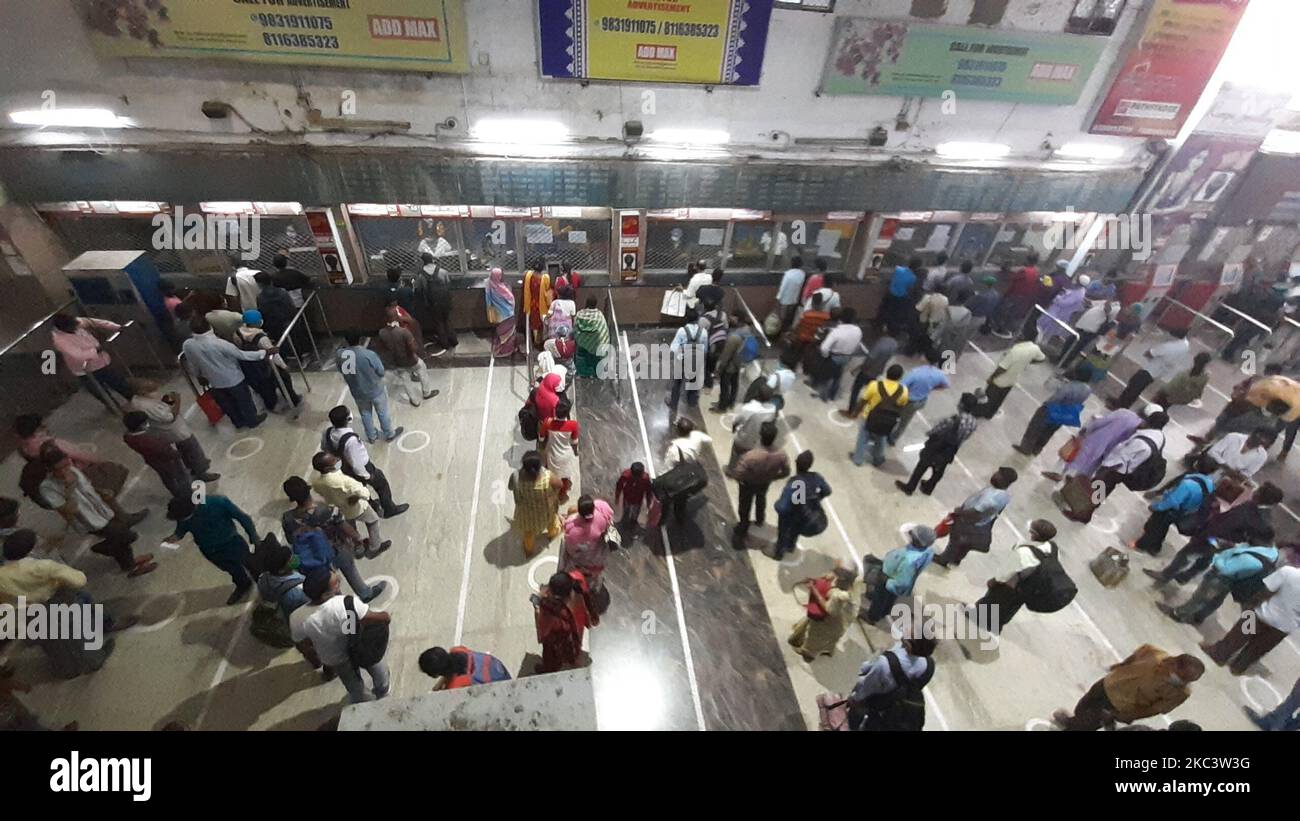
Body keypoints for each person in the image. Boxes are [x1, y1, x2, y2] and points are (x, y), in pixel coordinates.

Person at [37, 443, 155, 578]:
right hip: (88, 520)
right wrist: (69, 487)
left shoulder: (73, 470)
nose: (65, 470)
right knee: (127, 535)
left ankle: (129, 564)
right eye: (60, 469)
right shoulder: (47, 488)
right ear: (50, 470)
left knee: (119, 536)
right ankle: (105, 548)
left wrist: (101, 492)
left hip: (102, 510)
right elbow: (66, 510)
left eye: (66, 465)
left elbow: (87, 486)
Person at [1147, 482, 1281, 587]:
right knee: (1206, 559)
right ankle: (1185, 577)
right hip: (1227, 543)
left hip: (1215, 537)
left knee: (1187, 553)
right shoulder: (1266, 518)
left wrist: (1205, 533)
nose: (1254, 492)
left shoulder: (1248, 512)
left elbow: (1224, 525)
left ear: (1261, 496)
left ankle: (1167, 574)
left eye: (1258, 491)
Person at [291, 568, 392, 703]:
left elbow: (302, 644)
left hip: (334, 657)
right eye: (336, 583)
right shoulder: (346, 604)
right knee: (376, 667)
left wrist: (315, 658)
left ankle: (364, 702)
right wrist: (386, 616)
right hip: (360, 645)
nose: (340, 580)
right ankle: (382, 690)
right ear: (325, 595)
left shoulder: (297, 618)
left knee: (353, 684)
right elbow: (371, 619)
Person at [282, 477, 387, 603]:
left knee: (329, 582)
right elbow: (343, 525)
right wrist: (357, 539)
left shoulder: (288, 518)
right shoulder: (326, 509)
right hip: (337, 549)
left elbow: (291, 539)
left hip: (315, 558)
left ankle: (339, 604)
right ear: (308, 490)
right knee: (350, 571)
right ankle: (365, 594)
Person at [1053, 645, 1204, 730]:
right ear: (1173, 663)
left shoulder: (1180, 693)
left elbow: (1154, 709)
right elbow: (1135, 657)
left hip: (1118, 706)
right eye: (1183, 676)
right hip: (1109, 684)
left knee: (1087, 723)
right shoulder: (1154, 654)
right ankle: (1073, 721)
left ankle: (1073, 726)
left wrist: (1122, 716)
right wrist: (1120, 666)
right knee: (1083, 706)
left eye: (1188, 680)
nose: (1182, 682)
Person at [969, 519, 1067, 633]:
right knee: (1011, 607)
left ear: (1034, 534)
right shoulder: (1053, 548)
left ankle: (979, 617)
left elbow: (1007, 572)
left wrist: (994, 580)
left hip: (1011, 585)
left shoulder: (1025, 551)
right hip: (1029, 587)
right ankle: (997, 625)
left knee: (993, 601)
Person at [1202, 564, 1300, 675]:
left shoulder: (1289, 572)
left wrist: (1249, 606)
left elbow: (1266, 590)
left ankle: (1219, 654)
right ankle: (1239, 667)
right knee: (1258, 648)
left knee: (1237, 636)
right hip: (1284, 626)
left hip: (1261, 614)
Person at [1156, 538, 1279, 626]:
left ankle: (1179, 614)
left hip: (1222, 577)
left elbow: (1225, 569)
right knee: (1216, 599)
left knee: (1201, 596)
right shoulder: (1271, 551)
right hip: (1236, 578)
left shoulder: (1250, 560)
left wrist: (1217, 556)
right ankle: (1199, 616)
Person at [165, 495, 259, 604]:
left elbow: (243, 518)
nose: (183, 520)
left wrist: (254, 537)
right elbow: (182, 528)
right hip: (210, 550)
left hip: (232, 542)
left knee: (250, 563)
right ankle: (243, 584)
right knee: (231, 569)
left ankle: (265, 584)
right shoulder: (183, 512)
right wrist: (175, 537)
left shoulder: (217, 502)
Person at [183, 315, 271, 429]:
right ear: (209, 327)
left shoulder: (188, 345)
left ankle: (238, 422)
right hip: (233, 378)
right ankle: (252, 420)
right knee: (244, 401)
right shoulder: (220, 344)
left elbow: (193, 363)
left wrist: (198, 375)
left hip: (213, 380)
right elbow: (241, 355)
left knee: (228, 404)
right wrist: (263, 353)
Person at [321, 405, 408, 519]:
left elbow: (325, 448)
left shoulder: (328, 432)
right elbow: (357, 464)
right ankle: (389, 509)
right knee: (381, 484)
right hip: (362, 467)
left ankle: (374, 506)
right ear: (348, 419)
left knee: (362, 488)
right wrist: (368, 476)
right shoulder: (351, 440)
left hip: (345, 468)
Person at [127, 380, 219, 482]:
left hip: (166, 430)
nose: (155, 392)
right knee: (192, 449)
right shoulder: (146, 405)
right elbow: (169, 417)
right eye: (151, 390)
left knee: (184, 450)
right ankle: (201, 471)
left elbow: (161, 408)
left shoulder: (136, 400)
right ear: (143, 392)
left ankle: (193, 467)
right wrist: (177, 401)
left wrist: (168, 399)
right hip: (173, 430)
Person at [895, 392, 980, 496]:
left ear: (961, 404)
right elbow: (965, 437)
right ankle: (928, 488)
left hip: (937, 446)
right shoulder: (974, 422)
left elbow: (937, 430)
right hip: (951, 449)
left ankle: (910, 487)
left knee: (922, 465)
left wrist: (929, 433)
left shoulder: (952, 420)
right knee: (939, 470)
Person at [846, 636, 937, 731]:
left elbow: (866, 686)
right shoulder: (929, 666)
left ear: (909, 646)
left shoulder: (885, 664)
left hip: (877, 704)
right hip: (894, 708)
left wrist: (855, 698)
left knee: (858, 713)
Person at [1133, 455, 1217, 556]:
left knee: (1154, 526)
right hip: (1185, 510)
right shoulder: (1209, 484)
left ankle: (1141, 545)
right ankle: (1155, 547)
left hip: (1171, 510)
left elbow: (1173, 501)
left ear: (1197, 465)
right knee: (1163, 527)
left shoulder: (1188, 484)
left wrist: (1157, 507)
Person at [933, 467, 1017, 568]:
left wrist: (960, 512)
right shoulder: (1004, 496)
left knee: (955, 541)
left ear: (1004, 480)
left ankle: (944, 559)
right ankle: (956, 560)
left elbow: (976, 512)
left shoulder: (991, 498)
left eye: (997, 475)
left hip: (968, 521)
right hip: (982, 523)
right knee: (966, 544)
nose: (994, 475)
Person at [49, 313, 135, 409]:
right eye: (72, 328)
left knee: (119, 383)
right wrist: (96, 350)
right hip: (85, 370)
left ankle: (134, 401)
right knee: (101, 393)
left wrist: (115, 327)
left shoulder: (75, 322)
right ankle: (115, 408)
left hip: (102, 361)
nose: (76, 328)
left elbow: (95, 322)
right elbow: (78, 355)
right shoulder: (59, 340)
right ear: (63, 328)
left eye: (76, 326)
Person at [310, 451, 388, 555]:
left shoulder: (317, 483)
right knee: (372, 521)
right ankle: (375, 547)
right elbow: (365, 493)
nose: (337, 459)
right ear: (328, 468)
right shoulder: (344, 481)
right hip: (357, 507)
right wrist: (356, 497)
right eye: (334, 461)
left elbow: (321, 493)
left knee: (351, 525)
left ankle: (358, 546)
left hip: (341, 508)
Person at [729, 421, 790, 549]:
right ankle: (759, 519)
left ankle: (743, 527)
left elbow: (738, 473)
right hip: (765, 482)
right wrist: (773, 477)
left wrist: (739, 480)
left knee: (745, 506)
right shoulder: (781, 455)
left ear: (760, 436)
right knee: (761, 499)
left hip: (748, 484)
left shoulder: (750, 456)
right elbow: (786, 472)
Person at [337, 332, 403, 443]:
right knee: (382, 412)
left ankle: (371, 436)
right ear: (360, 339)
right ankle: (389, 433)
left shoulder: (340, 355)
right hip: (375, 389)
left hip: (357, 391)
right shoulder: (368, 354)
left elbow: (341, 370)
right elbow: (381, 371)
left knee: (365, 413)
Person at [1014, 364, 1092, 456]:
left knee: (1035, 427)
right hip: (1066, 412)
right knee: (1049, 431)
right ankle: (1037, 449)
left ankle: (1026, 448)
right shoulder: (1087, 389)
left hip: (1052, 409)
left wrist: (1045, 405)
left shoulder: (1069, 387)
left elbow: (1056, 398)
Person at [235, 309, 302, 414]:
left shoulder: (239, 332)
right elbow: (274, 354)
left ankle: (271, 405)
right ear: (258, 322)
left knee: (264, 387)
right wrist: (284, 366)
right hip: (266, 365)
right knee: (284, 379)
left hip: (251, 365)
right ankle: (293, 399)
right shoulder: (260, 338)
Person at [864, 525, 936, 623]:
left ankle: (872, 617)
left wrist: (887, 581)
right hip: (896, 577)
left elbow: (903, 581)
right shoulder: (928, 552)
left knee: (881, 598)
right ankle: (884, 611)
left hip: (890, 579)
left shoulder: (909, 561)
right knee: (890, 598)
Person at [788, 564, 859, 661]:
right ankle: (828, 650)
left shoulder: (839, 596)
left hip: (832, 624)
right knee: (832, 639)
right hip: (845, 621)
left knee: (815, 637)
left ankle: (808, 654)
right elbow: (832, 577)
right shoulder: (853, 586)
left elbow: (828, 609)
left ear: (842, 579)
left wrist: (814, 589)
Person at [773, 451, 831, 560]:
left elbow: (782, 507)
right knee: (795, 529)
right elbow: (827, 490)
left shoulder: (793, 484)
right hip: (806, 517)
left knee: (784, 529)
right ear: (810, 465)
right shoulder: (816, 477)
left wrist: (776, 505)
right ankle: (790, 547)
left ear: (796, 464)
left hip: (793, 515)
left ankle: (779, 552)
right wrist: (817, 498)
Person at [122, 411, 192, 501]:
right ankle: (187, 494)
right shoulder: (149, 441)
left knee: (166, 478)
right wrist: (179, 454)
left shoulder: (128, 437)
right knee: (180, 476)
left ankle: (176, 493)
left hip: (153, 461)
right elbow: (167, 452)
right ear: (141, 426)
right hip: (168, 461)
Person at [1112, 328, 1190, 409]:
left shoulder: (1168, 346)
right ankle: (1123, 404)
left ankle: (1121, 404)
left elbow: (1150, 353)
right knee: (1138, 389)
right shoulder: (1185, 345)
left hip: (1150, 369)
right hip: (1160, 371)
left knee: (1133, 387)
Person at [975, 329, 1044, 419]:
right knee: (999, 400)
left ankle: (979, 413)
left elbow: (1002, 368)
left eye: (1021, 334)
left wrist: (991, 377)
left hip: (999, 381)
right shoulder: (1035, 348)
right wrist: (1028, 361)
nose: (1018, 335)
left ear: (1025, 337)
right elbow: (1042, 359)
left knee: (988, 399)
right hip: (1012, 380)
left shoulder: (1016, 350)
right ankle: (989, 415)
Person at [377, 307, 438, 407]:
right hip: (411, 360)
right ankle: (426, 392)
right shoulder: (403, 332)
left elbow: (383, 349)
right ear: (396, 317)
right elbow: (413, 348)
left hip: (397, 361)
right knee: (422, 369)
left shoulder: (382, 333)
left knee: (405, 380)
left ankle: (414, 401)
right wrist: (413, 355)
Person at [850, 363, 909, 468]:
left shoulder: (875, 385)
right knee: (881, 438)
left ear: (887, 373)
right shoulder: (904, 391)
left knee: (863, 437)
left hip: (870, 416)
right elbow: (902, 407)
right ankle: (877, 459)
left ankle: (858, 459)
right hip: (889, 420)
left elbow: (863, 401)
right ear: (900, 377)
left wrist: (855, 413)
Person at [533, 570, 591, 673]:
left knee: (551, 659)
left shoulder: (554, 615)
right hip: (576, 637)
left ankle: (549, 669)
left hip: (560, 646)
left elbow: (544, 635)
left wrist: (537, 608)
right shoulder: (578, 589)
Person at [560, 494, 615, 598]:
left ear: (579, 512)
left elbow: (570, 549)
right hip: (599, 557)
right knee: (594, 574)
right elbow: (609, 518)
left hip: (581, 560)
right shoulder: (602, 512)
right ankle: (595, 583)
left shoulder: (572, 528)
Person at [890, 351, 950, 445]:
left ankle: (887, 431)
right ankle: (894, 439)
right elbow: (946, 385)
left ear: (925, 359)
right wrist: (932, 388)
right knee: (905, 421)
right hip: (921, 401)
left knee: (894, 415)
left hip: (907, 400)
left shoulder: (916, 372)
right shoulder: (939, 374)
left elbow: (901, 386)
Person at [510, 450, 564, 557]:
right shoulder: (547, 477)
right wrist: (553, 496)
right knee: (552, 522)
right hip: (545, 511)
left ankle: (528, 550)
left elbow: (511, 487)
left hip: (526, 514)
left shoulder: (516, 477)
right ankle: (552, 534)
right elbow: (559, 484)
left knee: (528, 533)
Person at [662, 418, 713, 524]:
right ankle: (680, 517)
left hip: (680, 474)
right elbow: (709, 440)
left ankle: (664, 516)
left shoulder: (675, 448)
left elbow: (668, 467)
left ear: (678, 431)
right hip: (691, 469)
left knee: (671, 495)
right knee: (683, 497)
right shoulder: (697, 435)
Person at [842, 329, 898, 418]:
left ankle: (851, 411)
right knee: (869, 392)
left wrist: (859, 368)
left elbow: (870, 359)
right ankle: (861, 410)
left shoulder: (881, 343)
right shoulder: (894, 344)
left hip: (868, 371)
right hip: (878, 370)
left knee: (856, 390)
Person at [255, 536, 309, 622]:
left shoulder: (263, 578)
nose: (295, 559)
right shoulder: (296, 592)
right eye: (290, 560)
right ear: (281, 570)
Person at [815, 307, 862, 402]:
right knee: (838, 376)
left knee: (827, 376)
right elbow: (858, 345)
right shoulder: (858, 330)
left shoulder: (837, 332)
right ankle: (832, 395)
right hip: (847, 356)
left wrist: (826, 355)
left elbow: (824, 347)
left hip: (834, 356)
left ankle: (824, 396)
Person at [667, 308, 708, 416]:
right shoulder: (703, 332)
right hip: (696, 361)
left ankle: (673, 403)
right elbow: (705, 349)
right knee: (693, 382)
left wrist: (680, 356)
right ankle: (691, 403)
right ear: (697, 319)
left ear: (686, 319)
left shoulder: (682, 330)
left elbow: (673, 347)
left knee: (677, 383)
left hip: (682, 361)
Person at [710, 315, 755, 413]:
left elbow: (726, 356)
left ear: (738, 321)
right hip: (738, 363)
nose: (730, 319)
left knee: (724, 386)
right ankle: (731, 402)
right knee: (734, 384)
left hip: (729, 366)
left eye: (733, 318)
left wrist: (719, 369)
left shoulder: (734, 337)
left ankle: (722, 407)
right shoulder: (747, 332)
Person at [728, 387, 778, 471]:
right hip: (757, 441)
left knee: (735, 454)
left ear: (758, 394)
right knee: (748, 459)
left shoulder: (749, 407)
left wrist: (733, 430)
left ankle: (731, 470)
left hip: (743, 438)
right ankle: (742, 471)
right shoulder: (772, 409)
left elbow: (737, 421)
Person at [539, 398, 580, 499]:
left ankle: (551, 491)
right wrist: (575, 452)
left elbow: (541, 438)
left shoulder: (547, 422)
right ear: (567, 413)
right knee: (565, 477)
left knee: (551, 474)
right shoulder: (573, 425)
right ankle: (562, 493)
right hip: (566, 455)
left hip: (552, 454)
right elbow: (574, 442)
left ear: (555, 411)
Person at [419, 646, 512, 691]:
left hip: (502, 689)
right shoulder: (457, 650)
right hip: (500, 671)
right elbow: (451, 671)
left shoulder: (455, 685)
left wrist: (439, 689)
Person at [1205, 428, 1274, 480]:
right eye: (1259, 437)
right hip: (1211, 467)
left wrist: (1235, 475)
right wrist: (1225, 466)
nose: (1260, 441)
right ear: (1253, 433)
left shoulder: (1262, 455)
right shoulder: (1234, 437)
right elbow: (1213, 451)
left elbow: (1248, 473)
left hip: (1230, 478)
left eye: (1264, 441)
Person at [878, 256, 920, 337]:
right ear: (917, 267)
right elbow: (909, 289)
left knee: (885, 309)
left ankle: (881, 324)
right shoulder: (913, 278)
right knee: (894, 313)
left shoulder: (898, 269)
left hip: (890, 293)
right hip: (900, 298)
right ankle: (890, 328)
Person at [254, 271, 297, 344]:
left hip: (273, 324)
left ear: (259, 284)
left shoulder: (260, 297)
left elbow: (262, 312)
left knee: (280, 343)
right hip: (287, 320)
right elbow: (290, 306)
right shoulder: (282, 292)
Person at [484, 267, 517, 357]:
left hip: (498, 315)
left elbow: (488, 301)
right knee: (508, 334)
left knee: (501, 333)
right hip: (507, 315)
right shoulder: (501, 289)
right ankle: (506, 351)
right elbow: (510, 300)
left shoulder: (489, 285)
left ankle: (500, 349)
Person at [573, 297, 609, 379]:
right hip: (595, 344)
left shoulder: (579, 314)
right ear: (595, 304)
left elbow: (575, 328)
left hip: (582, 343)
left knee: (583, 360)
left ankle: (584, 374)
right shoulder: (599, 315)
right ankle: (596, 375)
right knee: (595, 361)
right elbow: (603, 331)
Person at [614, 462, 654, 531]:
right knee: (626, 511)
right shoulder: (625, 475)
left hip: (637, 500)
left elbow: (648, 491)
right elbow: (619, 486)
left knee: (635, 513)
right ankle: (624, 522)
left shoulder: (645, 479)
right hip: (627, 498)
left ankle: (633, 523)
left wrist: (648, 503)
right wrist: (617, 497)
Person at [522, 261, 552, 348]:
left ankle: (536, 340)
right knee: (543, 323)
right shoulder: (545, 278)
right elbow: (548, 293)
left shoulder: (528, 276)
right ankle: (542, 340)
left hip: (532, 304)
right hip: (542, 305)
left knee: (534, 323)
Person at [776, 255, 807, 333]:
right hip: (794, 299)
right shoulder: (802, 274)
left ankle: (779, 330)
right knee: (789, 316)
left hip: (785, 299)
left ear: (791, 263)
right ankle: (786, 330)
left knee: (782, 317)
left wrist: (778, 298)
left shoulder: (788, 274)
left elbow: (782, 288)